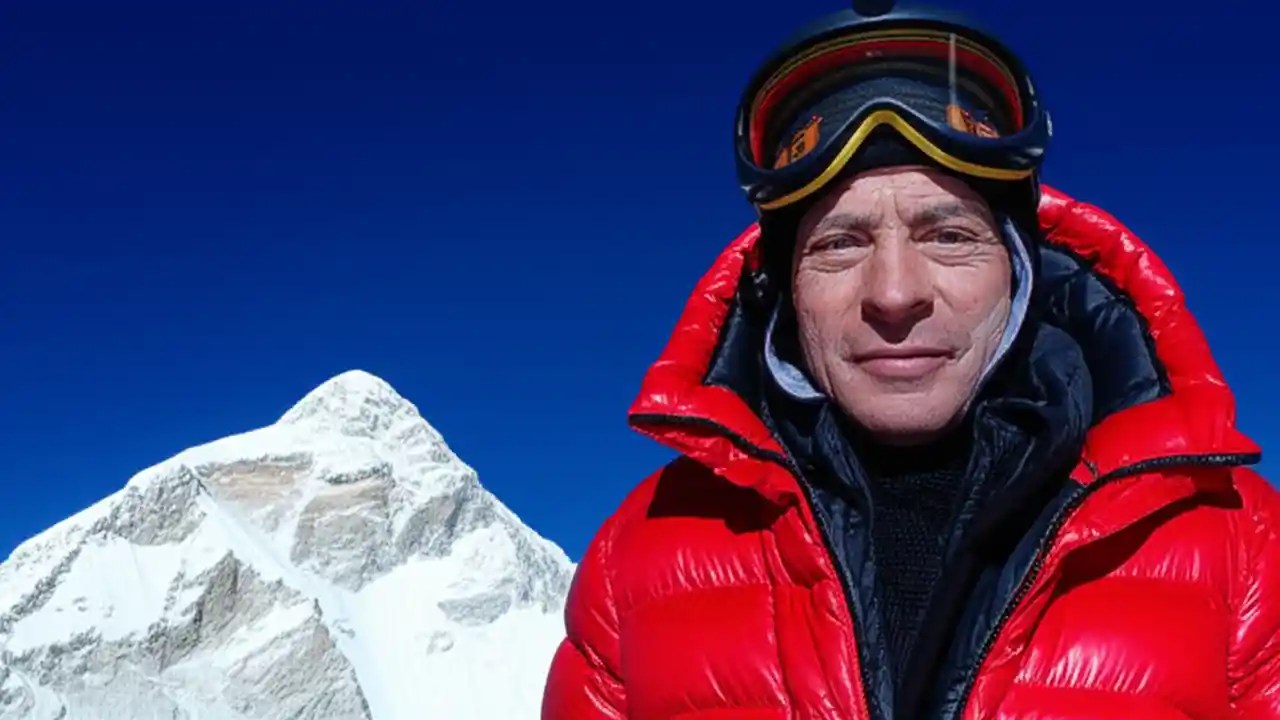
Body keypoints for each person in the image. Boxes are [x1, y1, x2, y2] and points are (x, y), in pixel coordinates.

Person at [542, 2, 1280, 718]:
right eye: (839, 243)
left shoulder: (1243, 550)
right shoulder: (636, 563)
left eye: (949, 235)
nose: (894, 294)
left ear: (1019, 266)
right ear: (785, 285)